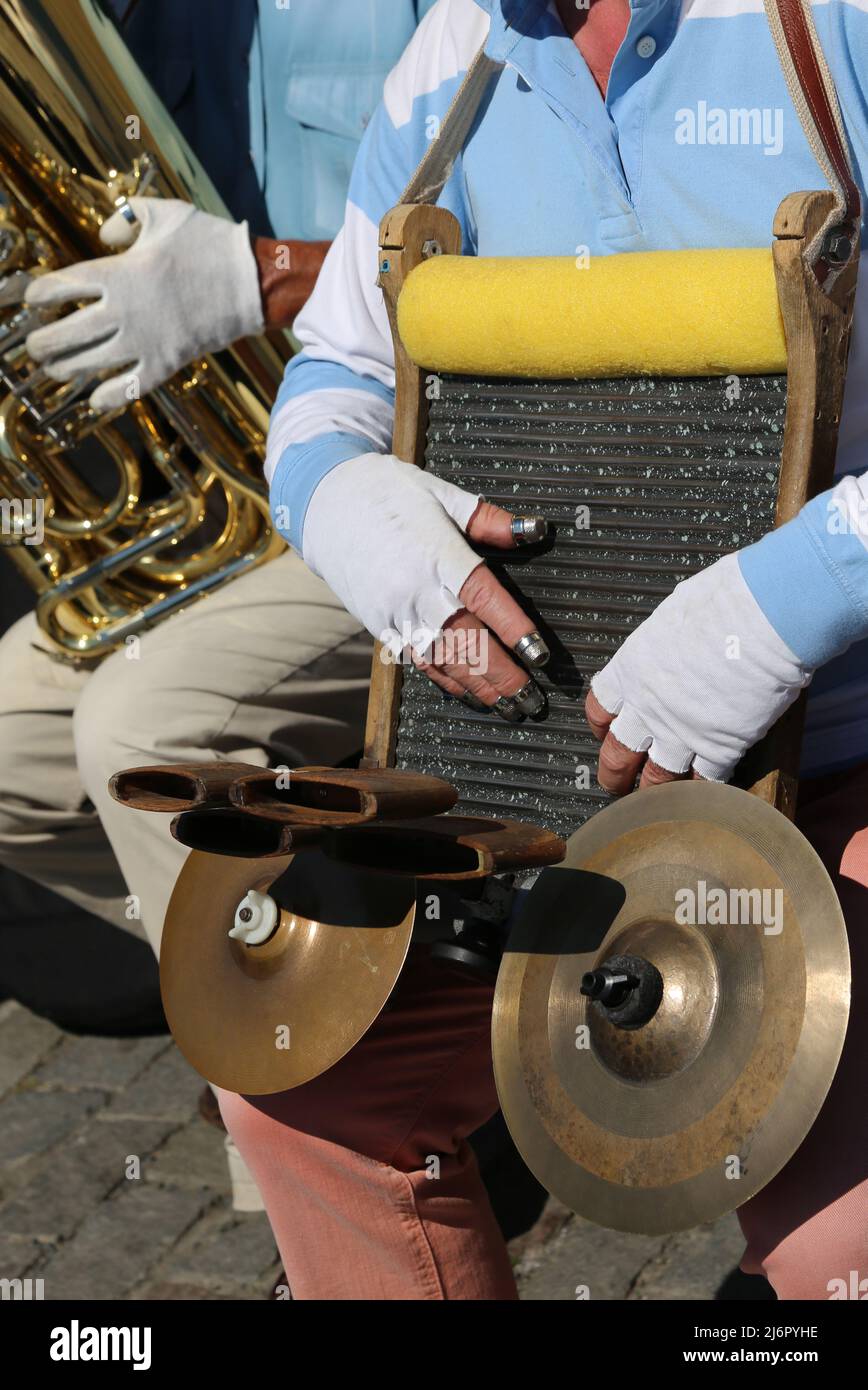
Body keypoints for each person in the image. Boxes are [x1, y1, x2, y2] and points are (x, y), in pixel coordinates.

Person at [215, 0, 868, 1299]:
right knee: (303, 1070)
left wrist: (784, 601)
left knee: (836, 1238)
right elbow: (333, 365)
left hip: (843, 757)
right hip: (547, 786)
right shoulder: (452, 57)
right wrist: (346, 501)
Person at [0, 0, 435, 1216]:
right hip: (250, 500)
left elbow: (530, 265)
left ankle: (342, 1197)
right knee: (12, 746)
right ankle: (373, 1021)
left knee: (142, 732)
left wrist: (263, 278)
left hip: (420, 481)